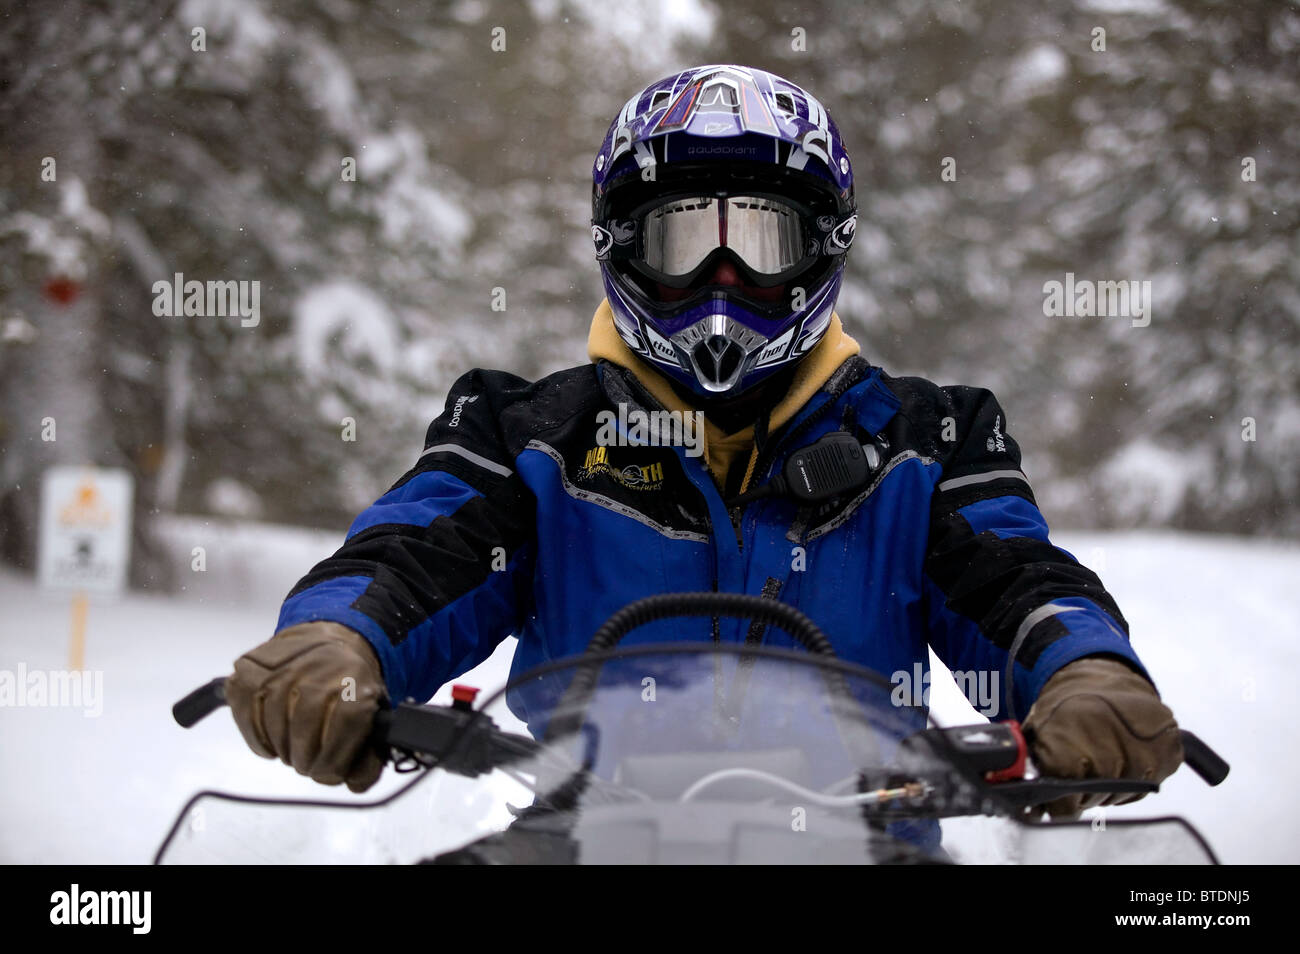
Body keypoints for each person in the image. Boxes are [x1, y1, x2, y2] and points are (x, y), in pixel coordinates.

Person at [226, 64, 1182, 824]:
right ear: (622, 246)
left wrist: (1081, 674)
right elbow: (413, 557)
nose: (722, 277)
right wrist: (336, 641)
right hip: (584, 835)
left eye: (762, 240)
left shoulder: (927, 442)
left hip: (865, 837)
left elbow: (1019, 580)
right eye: (684, 238)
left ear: (822, 248)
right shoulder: (529, 437)